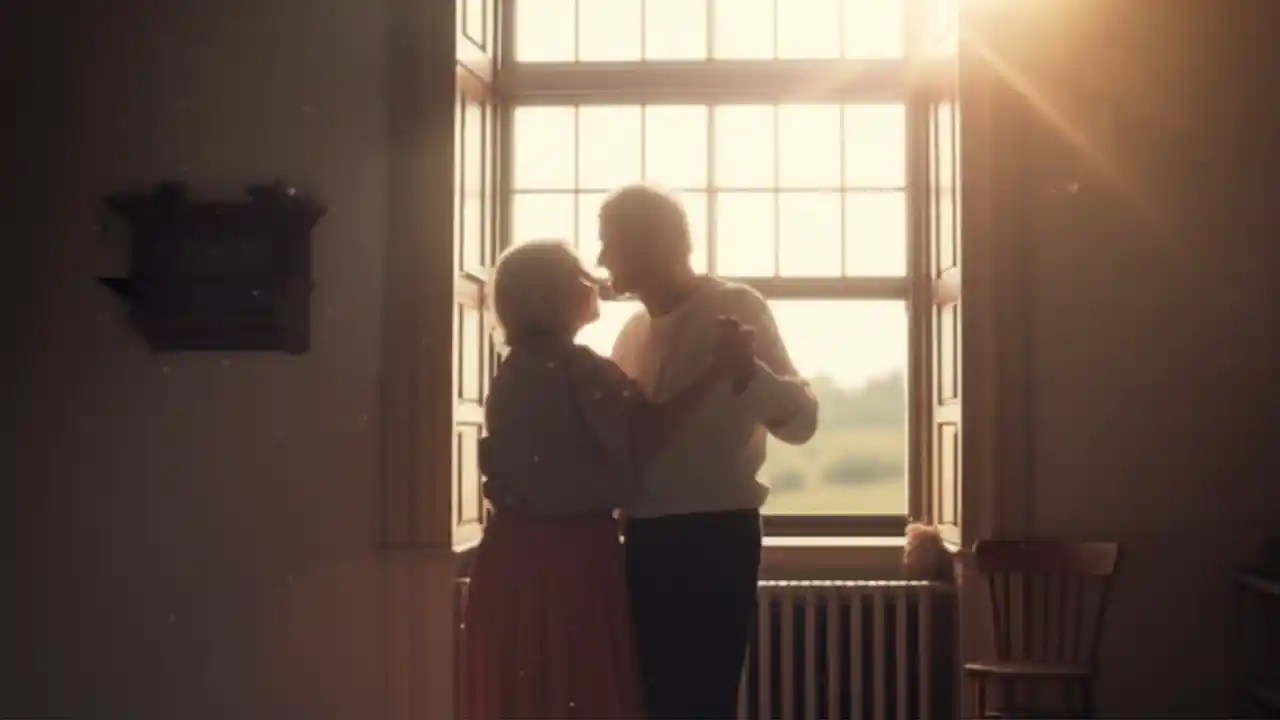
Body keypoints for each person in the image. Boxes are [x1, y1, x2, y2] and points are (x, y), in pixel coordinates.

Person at [461, 239, 754, 720]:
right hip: (573, 556)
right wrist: (714, 373)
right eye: (580, 273)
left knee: (525, 689)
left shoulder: (511, 371)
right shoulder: (578, 368)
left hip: (508, 556)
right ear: (555, 294)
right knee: (579, 683)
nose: (595, 276)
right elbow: (644, 435)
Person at [597, 184, 820, 719]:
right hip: (642, 539)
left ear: (652, 243)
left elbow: (803, 422)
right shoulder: (629, 335)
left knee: (700, 700)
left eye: (611, 243)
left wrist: (748, 372)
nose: (601, 258)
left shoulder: (735, 307)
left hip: (714, 536)